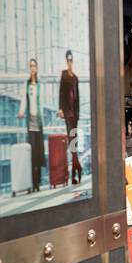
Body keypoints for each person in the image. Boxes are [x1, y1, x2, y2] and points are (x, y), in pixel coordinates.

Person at [16, 58, 44, 191]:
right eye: (31, 66)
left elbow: (42, 102)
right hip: (30, 123)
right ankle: (33, 182)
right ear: (29, 68)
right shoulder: (26, 85)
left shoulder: (39, 84)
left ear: (37, 69)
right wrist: (21, 111)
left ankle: (38, 182)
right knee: (32, 153)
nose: (33, 68)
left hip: (39, 123)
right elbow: (23, 101)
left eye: (35, 66)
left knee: (39, 153)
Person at [58, 49, 82, 185]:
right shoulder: (64, 75)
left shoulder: (75, 78)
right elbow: (61, 92)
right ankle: (76, 170)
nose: (69, 62)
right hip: (67, 113)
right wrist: (60, 108)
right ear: (66, 61)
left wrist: (78, 113)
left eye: (71, 60)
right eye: (68, 60)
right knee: (72, 141)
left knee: (74, 142)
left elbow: (77, 96)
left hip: (75, 115)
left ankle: (76, 170)